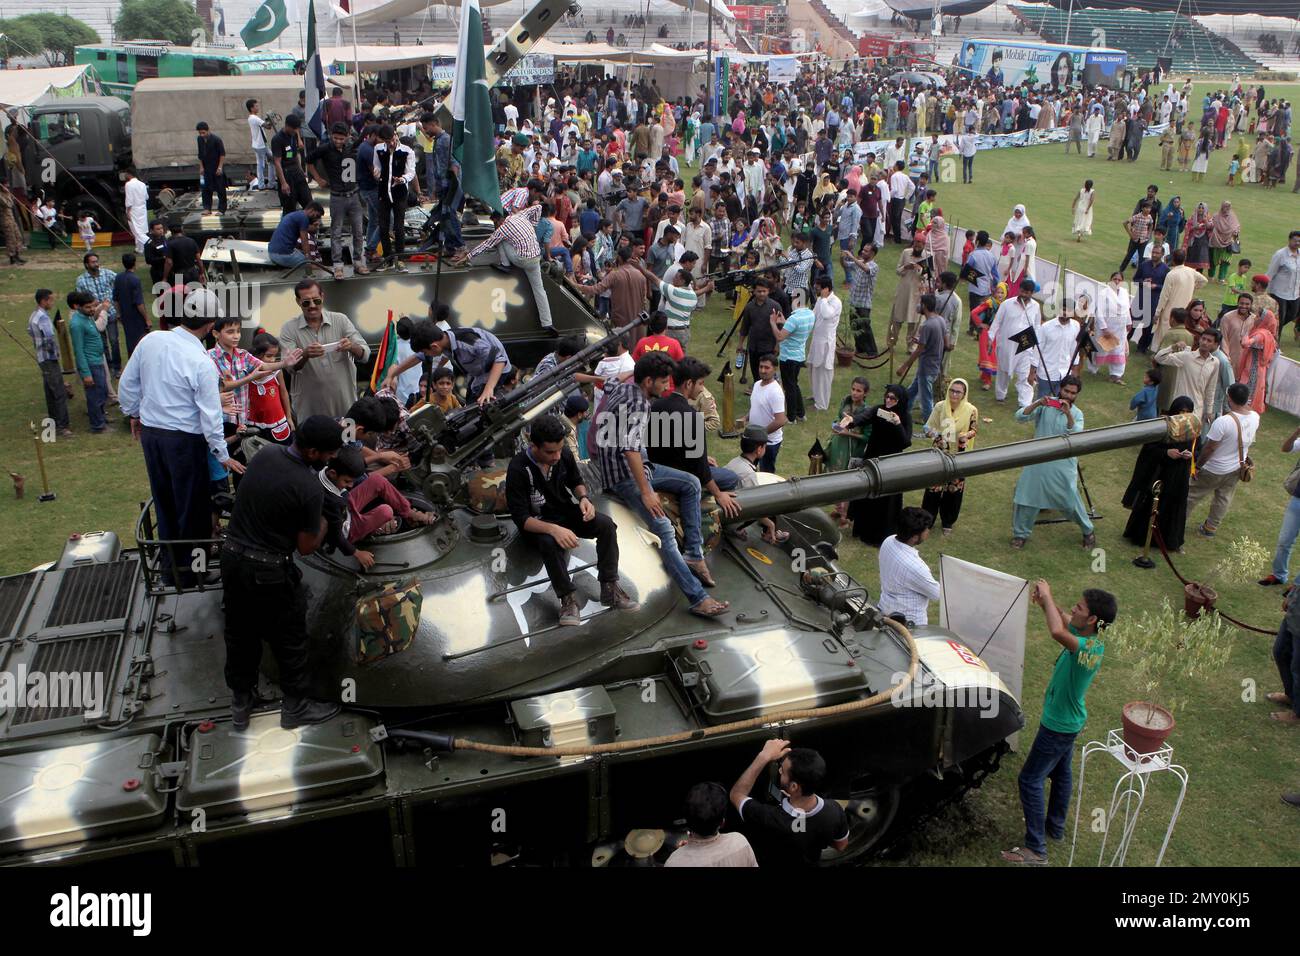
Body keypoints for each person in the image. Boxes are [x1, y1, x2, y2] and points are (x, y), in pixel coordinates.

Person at [221, 415, 343, 730]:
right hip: (269, 571)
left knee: (240, 632)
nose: (331, 459)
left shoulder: (266, 454)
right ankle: (296, 707)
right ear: (314, 452)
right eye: (329, 453)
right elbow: (305, 545)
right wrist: (327, 523)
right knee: (289, 637)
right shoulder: (308, 488)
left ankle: (241, 701)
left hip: (233, 559)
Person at [119, 288, 245, 585]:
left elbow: (128, 384)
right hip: (183, 442)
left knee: (165, 502)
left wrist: (135, 413)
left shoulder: (151, 340)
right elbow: (210, 414)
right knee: (193, 508)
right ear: (210, 326)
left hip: (153, 437)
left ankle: (169, 568)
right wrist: (221, 453)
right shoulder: (200, 361)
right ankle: (192, 575)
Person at [593, 352, 728, 618]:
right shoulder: (640, 405)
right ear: (648, 382)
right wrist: (647, 493)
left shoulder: (624, 387)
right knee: (664, 530)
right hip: (625, 475)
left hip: (636, 465)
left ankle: (693, 552)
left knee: (690, 483)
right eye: (663, 382)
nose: (668, 387)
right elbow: (630, 449)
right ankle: (697, 597)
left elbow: (607, 382)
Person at [1001, 582, 1116, 865]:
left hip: (1058, 726)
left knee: (1030, 779)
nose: (1073, 609)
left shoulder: (1088, 649)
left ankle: (1036, 850)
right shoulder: (1089, 636)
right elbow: (1063, 620)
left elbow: (1056, 631)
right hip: (1068, 723)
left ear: (1091, 620)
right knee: (1062, 774)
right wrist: (1044, 604)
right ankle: (1055, 827)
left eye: (1080, 607)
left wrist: (1049, 596)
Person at [506, 414, 638, 626]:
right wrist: (553, 530)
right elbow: (521, 519)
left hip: (564, 511)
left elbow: (576, 481)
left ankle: (609, 586)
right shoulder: (518, 469)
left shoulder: (563, 455)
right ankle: (568, 599)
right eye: (550, 452)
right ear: (534, 446)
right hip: (537, 524)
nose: (557, 456)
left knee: (605, 525)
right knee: (549, 543)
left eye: (560, 449)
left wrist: (584, 499)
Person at [729, 739, 849, 867]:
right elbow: (841, 845)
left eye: (782, 771)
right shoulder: (834, 810)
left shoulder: (768, 818)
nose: (779, 771)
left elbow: (736, 794)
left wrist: (763, 756)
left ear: (793, 787)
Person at [1011, 377, 1093, 550]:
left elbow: (1076, 434)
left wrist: (1068, 414)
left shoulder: (1077, 414)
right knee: (1027, 497)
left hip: (1063, 463)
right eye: (1066, 391)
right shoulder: (1046, 405)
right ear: (1060, 389)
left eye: (1073, 393)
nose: (1069, 395)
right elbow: (1020, 417)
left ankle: (1088, 531)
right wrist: (1037, 404)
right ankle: (1020, 535)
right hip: (1039, 459)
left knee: (1069, 501)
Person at [278, 279, 371, 420]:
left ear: (322, 297)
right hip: (310, 411)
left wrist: (351, 346)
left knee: (350, 441)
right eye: (306, 302)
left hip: (345, 408)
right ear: (298, 302)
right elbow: (289, 367)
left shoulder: (340, 320)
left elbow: (365, 354)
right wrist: (305, 354)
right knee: (312, 442)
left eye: (316, 300)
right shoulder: (289, 329)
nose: (312, 306)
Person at [454, 203, 556, 330]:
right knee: (540, 291)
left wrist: (468, 256)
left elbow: (487, 244)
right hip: (536, 258)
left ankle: (505, 264)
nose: (496, 226)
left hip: (521, 260)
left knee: (499, 239)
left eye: (495, 223)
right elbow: (539, 207)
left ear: (499, 219)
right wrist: (533, 225)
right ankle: (547, 323)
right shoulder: (521, 215)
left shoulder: (503, 229)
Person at [1122, 395, 1197, 553]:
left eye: (1187, 412)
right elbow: (1149, 449)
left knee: (1175, 507)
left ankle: (1171, 541)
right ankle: (1143, 537)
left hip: (1179, 475)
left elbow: (1197, 446)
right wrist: (1166, 453)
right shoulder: (1162, 426)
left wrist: (1190, 455)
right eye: (1180, 411)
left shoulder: (1191, 427)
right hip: (1161, 473)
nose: (1182, 415)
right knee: (1153, 505)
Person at [385, 314, 511, 407]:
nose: (426, 355)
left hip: (494, 371)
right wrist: (392, 375)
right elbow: (416, 358)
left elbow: (500, 359)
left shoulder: (468, 342)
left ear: (434, 346)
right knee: (470, 403)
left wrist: (489, 388)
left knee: (479, 406)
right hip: (476, 374)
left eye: (425, 352)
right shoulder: (444, 341)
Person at [1186, 382, 1258, 538]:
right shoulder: (1255, 417)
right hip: (1236, 468)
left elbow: (1209, 448)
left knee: (1191, 494)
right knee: (1224, 498)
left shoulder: (1223, 422)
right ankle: (1210, 528)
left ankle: (1176, 522)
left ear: (1229, 398)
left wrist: (1197, 467)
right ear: (1247, 399)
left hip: (1214, 469)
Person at [847, 384, 913, 547]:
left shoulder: (905, 417)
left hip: (891, 463)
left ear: (900, 401)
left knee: (886, 500)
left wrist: (897, 424)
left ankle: (882, 535)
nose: (888, 400)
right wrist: (851, 421)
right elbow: (864, 417)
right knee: (869, 494)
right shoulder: (878, 410)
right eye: (887, 397)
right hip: (873, 458)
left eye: (893, 399)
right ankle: (863, 530)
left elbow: (905, 442)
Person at [309, 122, 369, 279]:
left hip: (354, 195)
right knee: (336, 232)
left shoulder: (353, 147)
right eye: (335, 138)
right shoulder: (325, 148)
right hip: (336, 197)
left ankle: (358, 261)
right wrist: (318, 179)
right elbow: (309, 160)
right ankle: (338, 266)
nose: (338, 141)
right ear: (331, 136)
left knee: (358, 231)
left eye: (341, 139)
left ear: (347, 136)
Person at [921, 378, 977, 534]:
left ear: (964, 394)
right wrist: (932, 432)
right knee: (933, 489)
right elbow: (928, 426)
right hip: (939, 453)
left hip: (959, 454)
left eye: (958, 392)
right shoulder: (940, 407)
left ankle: (948, 521)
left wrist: (966, 435)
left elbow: (974, 429)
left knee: (954, 490)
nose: (954, 394)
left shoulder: (971, 410)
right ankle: (927, 521)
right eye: (952, 390)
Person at [665, 783, 759, 867]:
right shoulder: (740, 842)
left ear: (686, 822)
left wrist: (681, 856)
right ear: (722, 823)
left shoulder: (674, 863)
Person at [878, 506, 942, 625]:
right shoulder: (915, 567)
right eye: (926, 529)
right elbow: (937, 594)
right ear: (914, 537)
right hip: (910, 625)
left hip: (885, 609)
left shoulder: (889, 540)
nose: (928, 531)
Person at [988, 278, 1041, 407]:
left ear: (1031, 293)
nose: (1024, 295)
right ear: (1019, 289)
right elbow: (997, 322)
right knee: (1003, 371)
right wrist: (990, 338)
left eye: (1028, 293)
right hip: (1006, 345)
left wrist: (1037, 344)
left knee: (1024, 374)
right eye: (1022, 291)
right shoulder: (1007, 304)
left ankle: (1025, 403)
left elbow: (1037, 326)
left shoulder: (1035, 306)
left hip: (1026, 346)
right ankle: (1000, 395)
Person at [27, 289, 72, 439]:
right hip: (49, 359)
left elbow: (30, 332)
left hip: (41, 359)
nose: (52, 303)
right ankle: (62, 426)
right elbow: (49, 338)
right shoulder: (43, 318)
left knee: (50, 392)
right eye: (51, 300)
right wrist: (56, 354)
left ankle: (53, 423)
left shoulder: (33, 316)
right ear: (44, 301)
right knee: (58, 392)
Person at [897, 293, 947, 422]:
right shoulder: (940, 320)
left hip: (926, 367)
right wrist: (922, 340)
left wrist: (904, 366)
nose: (918, 306)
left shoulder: (927, 325)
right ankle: (903, 413)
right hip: (934, 365)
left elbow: (919, 350)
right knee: (911, 392)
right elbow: (945, 342)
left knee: (926, 399)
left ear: (924, 306)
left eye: (920, 303)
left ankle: (929, 424)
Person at [1154, 327, 1221, 420]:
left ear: (1216, 344)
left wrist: (1209, 411)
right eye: (1203, 339)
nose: (1205, 342)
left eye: (1209, 341)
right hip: (1179, 407)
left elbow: (1211, 388)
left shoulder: (1215, 362)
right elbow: (1159, 358)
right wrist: (1173, 347)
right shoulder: (1186, 356)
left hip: (1197, 410)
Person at [68, 292, 108, 434]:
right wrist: (86, 374)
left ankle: (102, 417)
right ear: (78, 307)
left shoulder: (88, 317)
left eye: (93, 306)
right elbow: (78, 351)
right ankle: (97, 425)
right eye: (87, 307)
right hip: (90, 364)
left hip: (98, 360)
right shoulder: (76, 324)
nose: (92, 309)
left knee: (103, 391)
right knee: (94, 396)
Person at [745, 354, 788, 473]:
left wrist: (761, 434)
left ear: (775, 369)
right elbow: (756, 406)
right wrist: (745, 418)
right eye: (761, 367)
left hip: (769, 443)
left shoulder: (775, 392)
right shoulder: (757, 384)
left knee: (766, 474)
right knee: (750, 470)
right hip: (755, 438)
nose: (763, 370)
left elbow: (781, 420)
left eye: (767, 368)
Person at [889, 232, 931, 349]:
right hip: (903, 291)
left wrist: (921, 271)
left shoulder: (928, 256)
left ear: (923, 245)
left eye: (920, 244)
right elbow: (898, 270)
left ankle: (910, 345)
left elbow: (929, 276)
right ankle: (892, 342)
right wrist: (906, 267)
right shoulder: (906, 253)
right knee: (897, 317)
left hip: (917, 292)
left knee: (914, 320)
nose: (917, 246)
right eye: (916, 243)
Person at [807, 276, 842, 412]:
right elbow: (813, 315)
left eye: (819, 288)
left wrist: (825, 299)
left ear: (826, 289)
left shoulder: (835, 302)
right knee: (812, 367)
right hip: (816, 340)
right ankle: (816, 396)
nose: (816, 290)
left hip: (826, 342)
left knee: (823, 372)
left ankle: (822, 404)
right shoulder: (821, 300)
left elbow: (827, 314)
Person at [1237, 309, 1278, 415]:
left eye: (1258, 316)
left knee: (1247, 391)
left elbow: (1245, 344)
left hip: (1252, 368)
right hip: (1258, 367)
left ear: (1264, 320)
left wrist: (1246, 333)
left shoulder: (1260, 335)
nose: (1255, 318)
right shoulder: (1267, 334)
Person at [271, 113, 313, 214]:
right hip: (286, 174)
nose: (295, 131)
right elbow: (277, 162)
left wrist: (301, 170)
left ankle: (310, 227)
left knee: (309, 203)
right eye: (294, 129)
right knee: (289, 207)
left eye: (297, 129)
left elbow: (294, 155)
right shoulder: (277, 139)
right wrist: (283, 183)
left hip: (296, 172)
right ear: (287, 126)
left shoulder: (293, 136)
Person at [843, 244, 879, 357]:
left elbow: (866, 269)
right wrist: (842, 257)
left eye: (866, 251)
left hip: (864, 303)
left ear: (872, 254)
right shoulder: (859, 262)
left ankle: (872, 351)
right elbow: (846, 265)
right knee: (855, 326)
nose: (863, 252)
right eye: (863, 249)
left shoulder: (874, 266)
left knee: (865, 327)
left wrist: (852, 257)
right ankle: (860, 348)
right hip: (854, 301)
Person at [267, 201, 325, 271]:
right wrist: (309, 262)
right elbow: (305, 242)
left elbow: (307, 228)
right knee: (311, 265)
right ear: (312, 210)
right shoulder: (304, 218)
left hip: (272, 252)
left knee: (304, 256)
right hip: (281, 255)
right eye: (317, 216)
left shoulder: (297, 215)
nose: (316, 219)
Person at [113, 252, 150, 358]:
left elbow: (115, 299)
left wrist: (119, 314)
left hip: (125, 315)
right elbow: (139, 303)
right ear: (135, 263)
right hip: (136, 317)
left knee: (130, 342)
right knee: (141, 342)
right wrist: (147, 318)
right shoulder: (135, 279)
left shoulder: (119, 277)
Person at [1265, 231, 1300, 337]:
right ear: (1289, 240)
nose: (1297, 243)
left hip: (1294, 293)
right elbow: (1270, 273)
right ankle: (1275, 343)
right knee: (1280, 316)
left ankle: (1269, 329)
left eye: (1299, 241)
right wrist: (1265, 290)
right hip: (1279, 292)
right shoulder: (1280, 255)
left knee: (1293, 314)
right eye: (1295, 240)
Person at [123, 168, 149, 253]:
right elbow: (146, 197)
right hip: (142, 208)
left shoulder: (129, 184)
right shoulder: (142, 184)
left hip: (133, 209)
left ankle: (153, 244)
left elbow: (129, 200)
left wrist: (128, 212)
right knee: (141, 229)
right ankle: (140, 248)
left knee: (137, 231)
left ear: (129, 174)